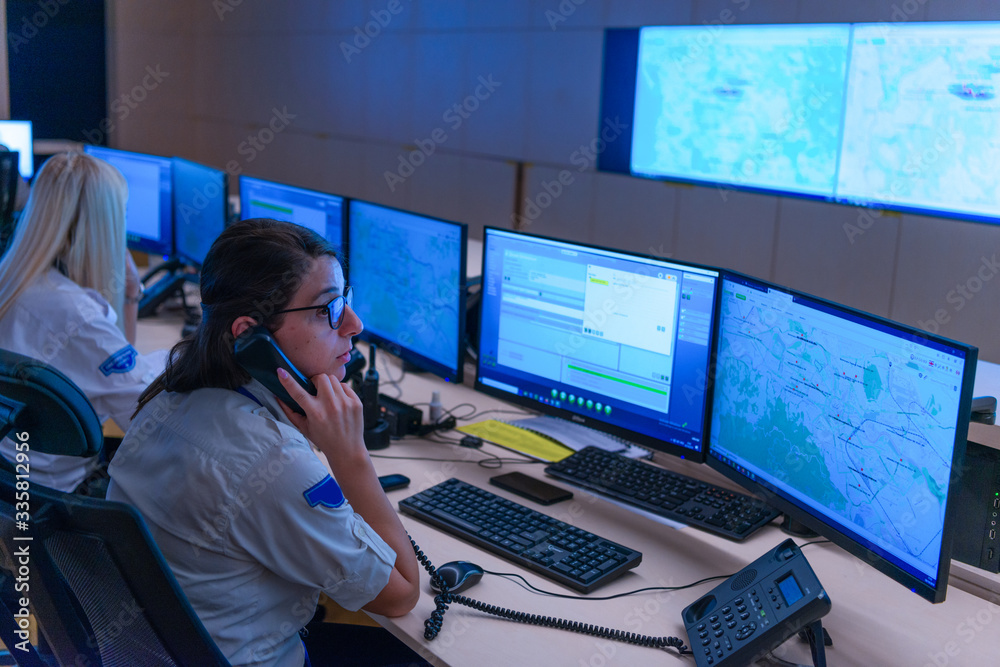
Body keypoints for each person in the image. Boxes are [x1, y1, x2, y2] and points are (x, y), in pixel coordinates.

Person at [107, 218, 422, 667]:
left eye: (345, 300)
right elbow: (402, 594)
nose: (354, 323)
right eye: (327, 309)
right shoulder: (270, 462)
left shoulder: (168, 396)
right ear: (248, 335)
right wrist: (349, 456)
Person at [0, 151, 164, 494]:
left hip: (14, 479)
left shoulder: (13, 277)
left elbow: (113, 368)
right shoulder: (79, 316)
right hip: (62, 493)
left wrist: (129, 295)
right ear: (105, 225)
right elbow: (150, 420)